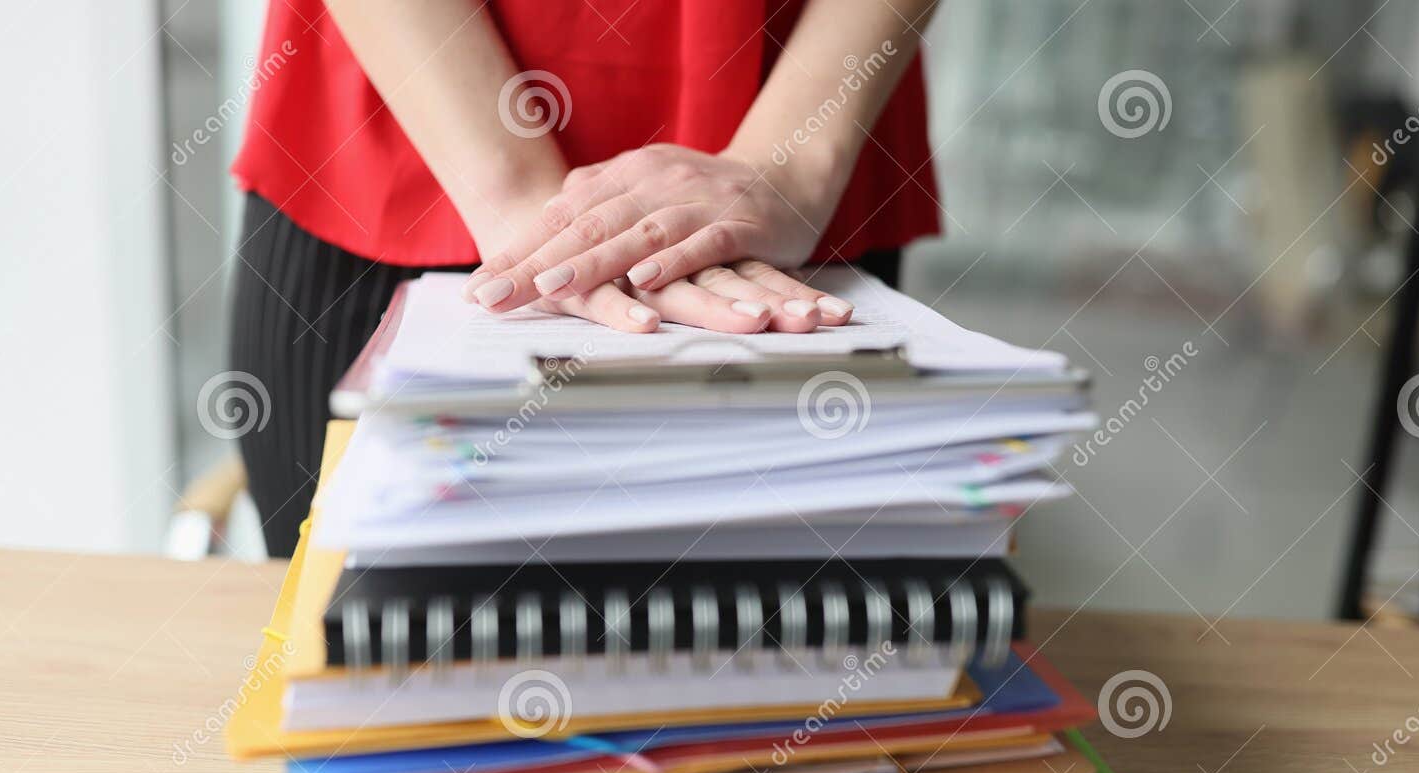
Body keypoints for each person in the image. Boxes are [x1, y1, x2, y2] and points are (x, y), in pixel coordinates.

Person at [229, 0, 941, 557]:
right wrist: (520, 202)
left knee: (783, 690)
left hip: (794, 151)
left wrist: (787, 167)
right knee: (372, 688)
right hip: (408, 137)